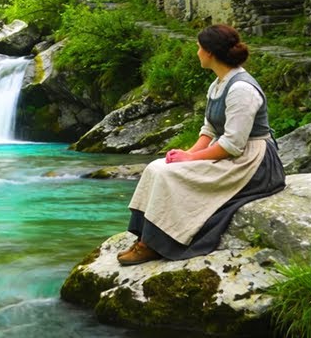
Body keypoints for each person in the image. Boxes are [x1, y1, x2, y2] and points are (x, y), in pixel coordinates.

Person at [117, 24, 286, 265]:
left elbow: (233, 144)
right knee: (156, 167)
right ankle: (146, 237)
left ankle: (156, 244)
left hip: (253, 162)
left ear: (210, 52)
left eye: (198, 48)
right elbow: (209, 130)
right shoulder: (217, 85)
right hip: (232, 153)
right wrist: (187, 153)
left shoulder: (241, 89)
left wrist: (191, 160)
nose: (197, 53)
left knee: (170, 176)